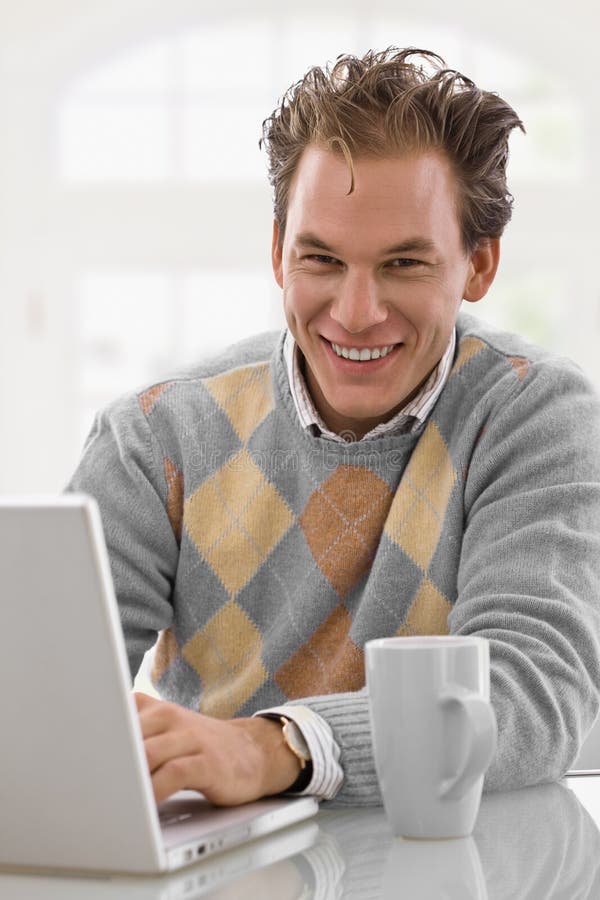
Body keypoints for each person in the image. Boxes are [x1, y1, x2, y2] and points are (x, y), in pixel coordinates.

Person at [68, 47, 600, 808]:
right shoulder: (155, 435)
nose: (355, 313)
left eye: (404, 265)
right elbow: (44, 705)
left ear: (478, 265)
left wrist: (277, 745)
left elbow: (531, 695)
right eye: (321, 258)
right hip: (217, 871)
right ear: (278, 254)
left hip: (461, 875)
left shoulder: (530, 415)